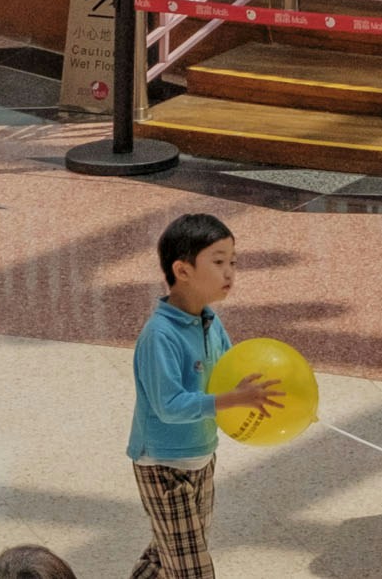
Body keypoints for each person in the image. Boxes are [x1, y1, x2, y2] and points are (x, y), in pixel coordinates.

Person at [126, 214, 276, 579]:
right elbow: (168, 406)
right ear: (182, 270)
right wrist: (233, 399)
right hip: (163, 466)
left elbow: (229, 370)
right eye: (218, 262)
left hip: (203, 456)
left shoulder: (210, 322)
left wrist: (256, 390)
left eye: (233, 263)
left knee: (166, 558)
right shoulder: (160, 335)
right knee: (191, 569)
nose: (230, 273)